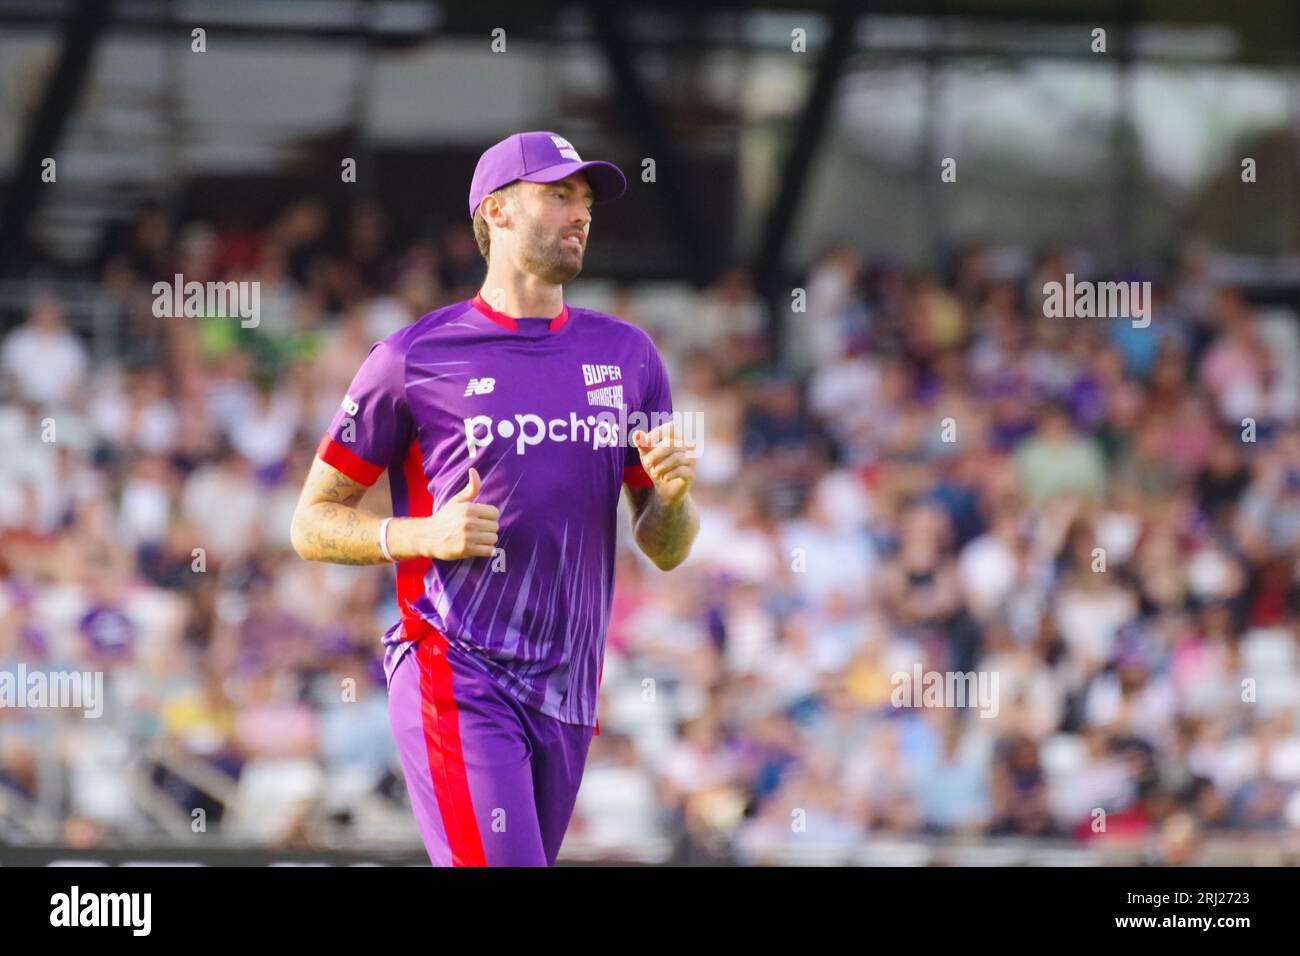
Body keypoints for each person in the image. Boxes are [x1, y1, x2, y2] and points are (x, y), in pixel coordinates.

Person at [289, 131, 700, 865]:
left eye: (586, 199)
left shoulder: (629, 355)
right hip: (455, 667)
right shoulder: (413, 357)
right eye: (559, 194)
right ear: (497, 212)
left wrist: (672, 499)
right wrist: (422, 536)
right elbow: (311, 522)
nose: (581, 214)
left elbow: (665, 549)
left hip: (569, 690)